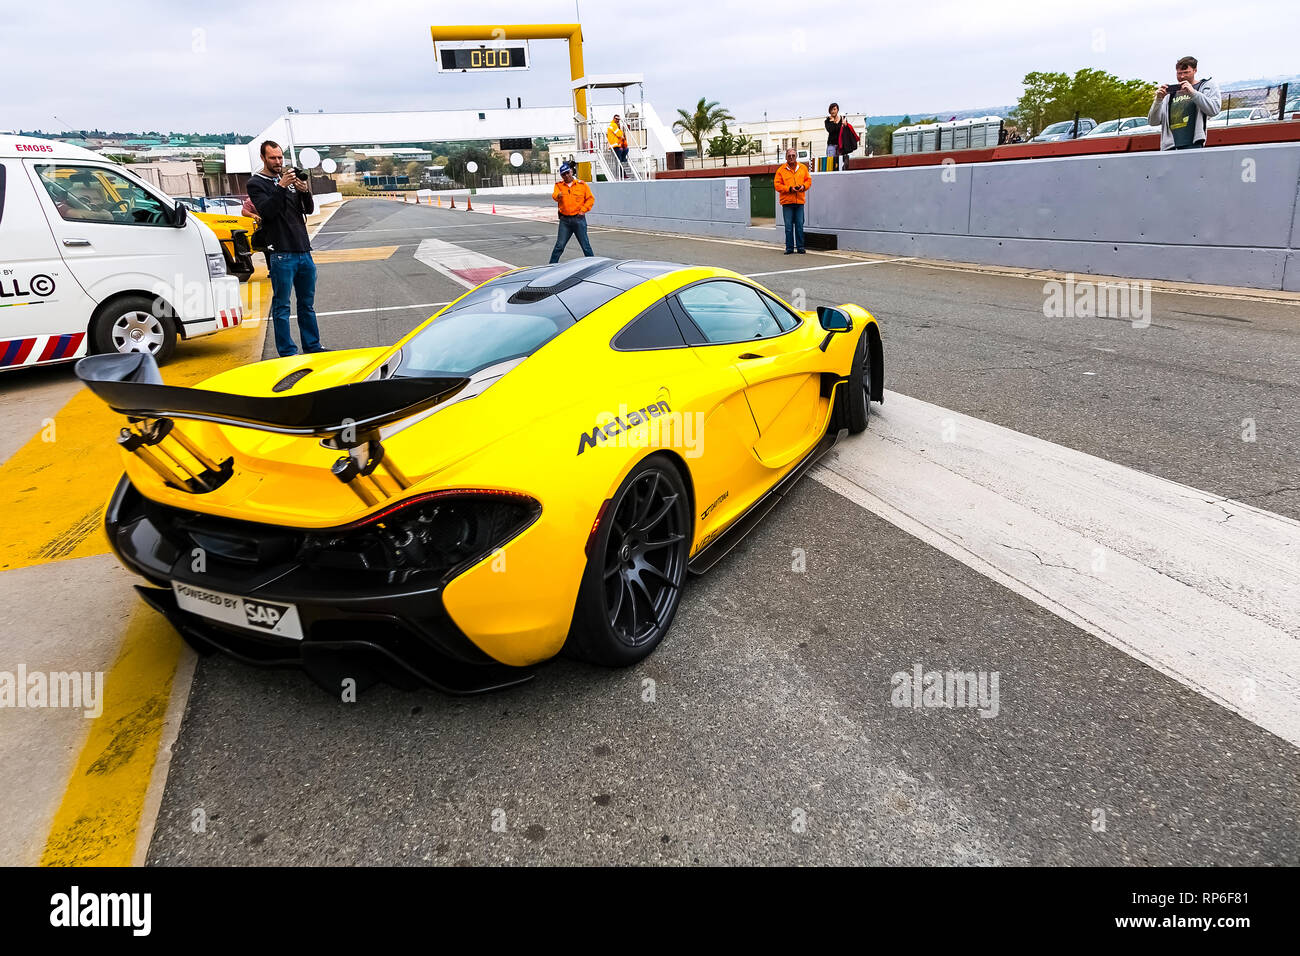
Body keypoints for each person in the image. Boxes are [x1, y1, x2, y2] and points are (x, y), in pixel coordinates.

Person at [247, 140, 324, 356]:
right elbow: (268, 211)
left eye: (280, 157)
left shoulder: (291, 181)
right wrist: (281, 186)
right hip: (281, 253)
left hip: (303, 250)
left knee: (307, 304)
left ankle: (313, 346)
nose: (278, 162)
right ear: (263, 158)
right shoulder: (256, 183)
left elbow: (307, 209)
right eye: (273, 158)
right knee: (282, 306)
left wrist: (304, 191)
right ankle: (287, 352)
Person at [1149, 56, 1222, 151]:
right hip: (1171, 146)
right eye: (1179, 73)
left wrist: (1193, 93)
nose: (1182, 76)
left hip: (1194, 144)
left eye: (1186, 72)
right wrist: (1158, 100)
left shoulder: (1205, 86)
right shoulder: (1170, 93)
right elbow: (1153, 122)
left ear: (1195, 70)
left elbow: (1214, 110)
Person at [549, 161, 595, 263]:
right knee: (559, 246)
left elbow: (590, 199)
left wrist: (583, 210)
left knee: (585, 246)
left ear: (571, 171)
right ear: (561, 176)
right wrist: (558, 196)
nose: (566, 176)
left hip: (578, 219)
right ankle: (551, 266)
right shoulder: (559, 185)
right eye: (563, 174)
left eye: (567, 173)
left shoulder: (582, 185)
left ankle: (593, 264)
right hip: (565, 220)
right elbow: (554, 195)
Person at [773, 147, 811, 254]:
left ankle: (800, 247)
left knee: (799, 225)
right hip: (787, 203)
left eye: (793, 155)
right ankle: (789, 248)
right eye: (789, 156)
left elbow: (808, 180)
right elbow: (777, 185)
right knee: (788, 227)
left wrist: (803, 187)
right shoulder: (781, 170)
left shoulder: (803, 168)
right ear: (786, 157)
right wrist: (789, 189)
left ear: (796, 156)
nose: (791, 158)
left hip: (799, 202)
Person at [824, 103, 858, 171]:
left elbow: (845, 130)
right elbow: (830, 130)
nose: (833, 111)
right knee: (831, 164)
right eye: (831, 110)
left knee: (841, 165)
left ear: (837, 110)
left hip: (841, 145)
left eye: (834, 109)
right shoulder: (827, 120)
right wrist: (834, 122)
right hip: (831, 145)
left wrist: (845, 124)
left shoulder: (843, 119)